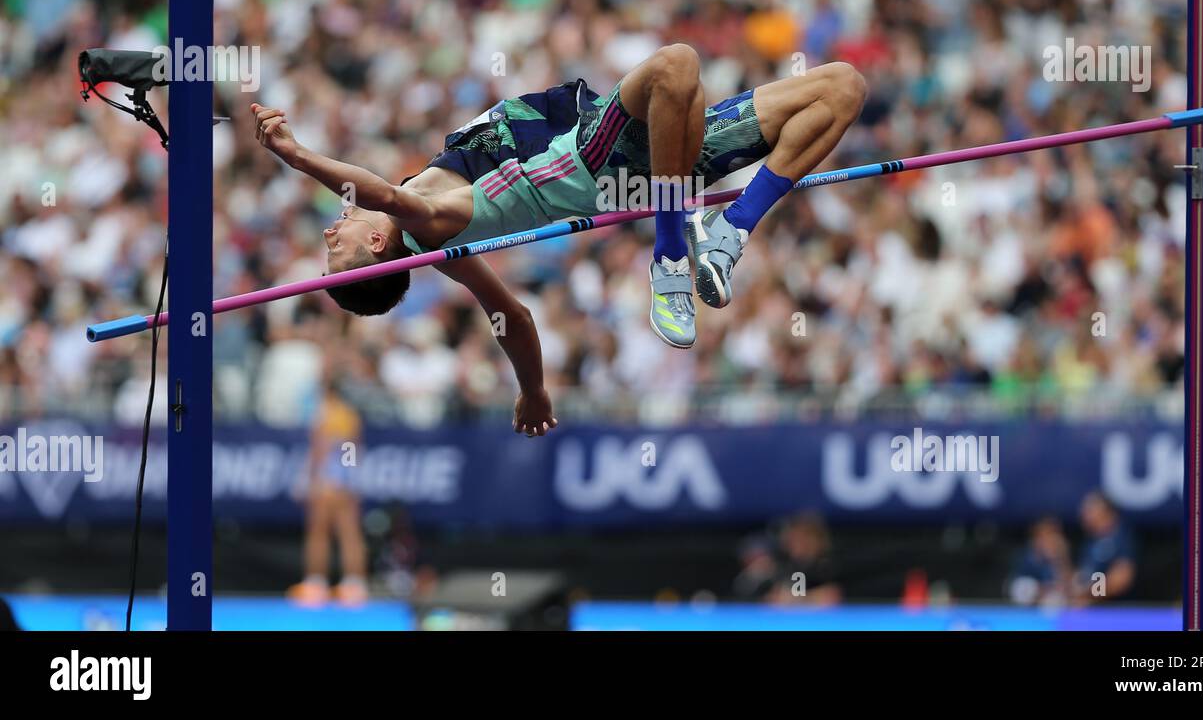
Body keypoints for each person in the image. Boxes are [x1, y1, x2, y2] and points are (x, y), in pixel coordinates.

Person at [251, 45, 866, 434]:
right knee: (676, 66)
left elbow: (512, 316)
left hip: (654, 153)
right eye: (338, 244)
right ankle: (672, 257)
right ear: (378, 248)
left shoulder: (451, 253)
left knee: (841, 88)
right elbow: (379, 194)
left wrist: (534, 393)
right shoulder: (424, 221)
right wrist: (297, 155)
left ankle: (729, 231)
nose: (333, 226)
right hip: (596, 161)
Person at [287, 389, 369, 606]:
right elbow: (352, 448)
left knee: (318, 534)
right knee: (350, 534)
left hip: (326, 483)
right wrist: (349, 480)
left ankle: (316, 584)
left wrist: (310, 480)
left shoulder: (324, 414)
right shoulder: (350, 416)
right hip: (344, 481)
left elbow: (319, 450)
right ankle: (354, 585)